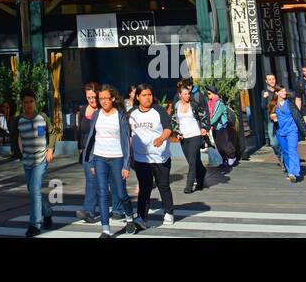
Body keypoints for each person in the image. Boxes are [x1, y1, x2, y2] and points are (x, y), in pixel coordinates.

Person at [83, 85, 139, 237]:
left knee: (121, 193)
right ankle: (105, 230)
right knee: (102, 193)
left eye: (106, 98)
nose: (103, 102)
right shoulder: (96, 115)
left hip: (117, 158)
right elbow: (93, 139)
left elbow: (126, 142)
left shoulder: (121, 115)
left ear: (113, 98)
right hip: (100, 158)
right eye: (100, 99)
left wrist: (126, 165)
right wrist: (92, 160)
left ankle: (129, 218)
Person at [128, 84, 176, 226]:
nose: (147, 98)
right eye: (144, 95)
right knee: (145, 187)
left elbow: (168, 128)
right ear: (137, 97)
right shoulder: (131, 113)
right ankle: (141, 217)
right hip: (141, 158)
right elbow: (127, 133)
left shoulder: (159, 110)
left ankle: (168, 212)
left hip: (160, 157)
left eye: (149, 95)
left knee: (163, 185)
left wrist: (161, 138)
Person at [15, 90, 54, 237]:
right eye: (26, 102)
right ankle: (48, 212)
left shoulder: (41, 118)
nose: (29, 104)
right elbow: (15, 138)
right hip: (27, 160)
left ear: (35, 102)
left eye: (31, 101)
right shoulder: (19, 120)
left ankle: (34, 225)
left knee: (35, 191)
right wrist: (19, 154)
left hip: (40, 159)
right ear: (22, 104)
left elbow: (52, 132)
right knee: (32, 192)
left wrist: (50, 149)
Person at [172, 82, 210, 194]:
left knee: (192, 161)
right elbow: (174, 120)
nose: (188, 96)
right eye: (185, 94)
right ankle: (201, 172)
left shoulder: (194, 105)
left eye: (188, 94)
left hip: (195, 135)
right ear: (180, 95)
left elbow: (204, 116)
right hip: (183, 137)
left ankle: (189, 185)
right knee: (193, 160)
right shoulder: (176, 106)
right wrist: (177, 132)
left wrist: (204, 128)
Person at [74, 82, 102, 223]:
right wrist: (80, 148)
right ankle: (88, 211)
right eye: (88, 97)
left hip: (101, 150)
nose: (91, 100)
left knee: (104, 182)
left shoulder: (104, 110)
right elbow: (79, 131)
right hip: (86, 151)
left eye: (94, 97)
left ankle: (118, 208)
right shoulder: (83, 110)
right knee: (91, 181)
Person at [274, 85, 305, 182]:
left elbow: (298, 117)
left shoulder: (290, 103)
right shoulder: (273, 104)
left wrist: (305, 132)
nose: (284, 93)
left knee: (292, 150)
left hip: (292, 130)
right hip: (280, 132)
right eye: (282, 91)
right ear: (277, 93)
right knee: (285, 152)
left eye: (284, 91)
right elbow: (266, 112)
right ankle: (289, 170)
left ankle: (293, 172)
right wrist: (272, 118)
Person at [206, 87, 238, 168]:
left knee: (225, 144)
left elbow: (215, 117)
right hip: (214, 128)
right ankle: (225, 160)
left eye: (209, 93)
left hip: (221, 127)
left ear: (214, 94)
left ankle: (232, 157)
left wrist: (206, 125)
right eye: (207, 93)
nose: (208, 95)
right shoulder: (209, 103)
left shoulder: (219, 104)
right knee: (219, 146)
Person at [262, 72, 282, 168]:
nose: (272, 81)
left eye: (273, 79)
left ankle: (284, 159)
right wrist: (264, 98)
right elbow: (262, 107)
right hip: (271, 121)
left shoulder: (279, 90)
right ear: (266, 81)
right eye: (269, 79)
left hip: (282, 119)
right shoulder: (264, 92)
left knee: (283, 140)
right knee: (273, 143)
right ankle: (280, 156)